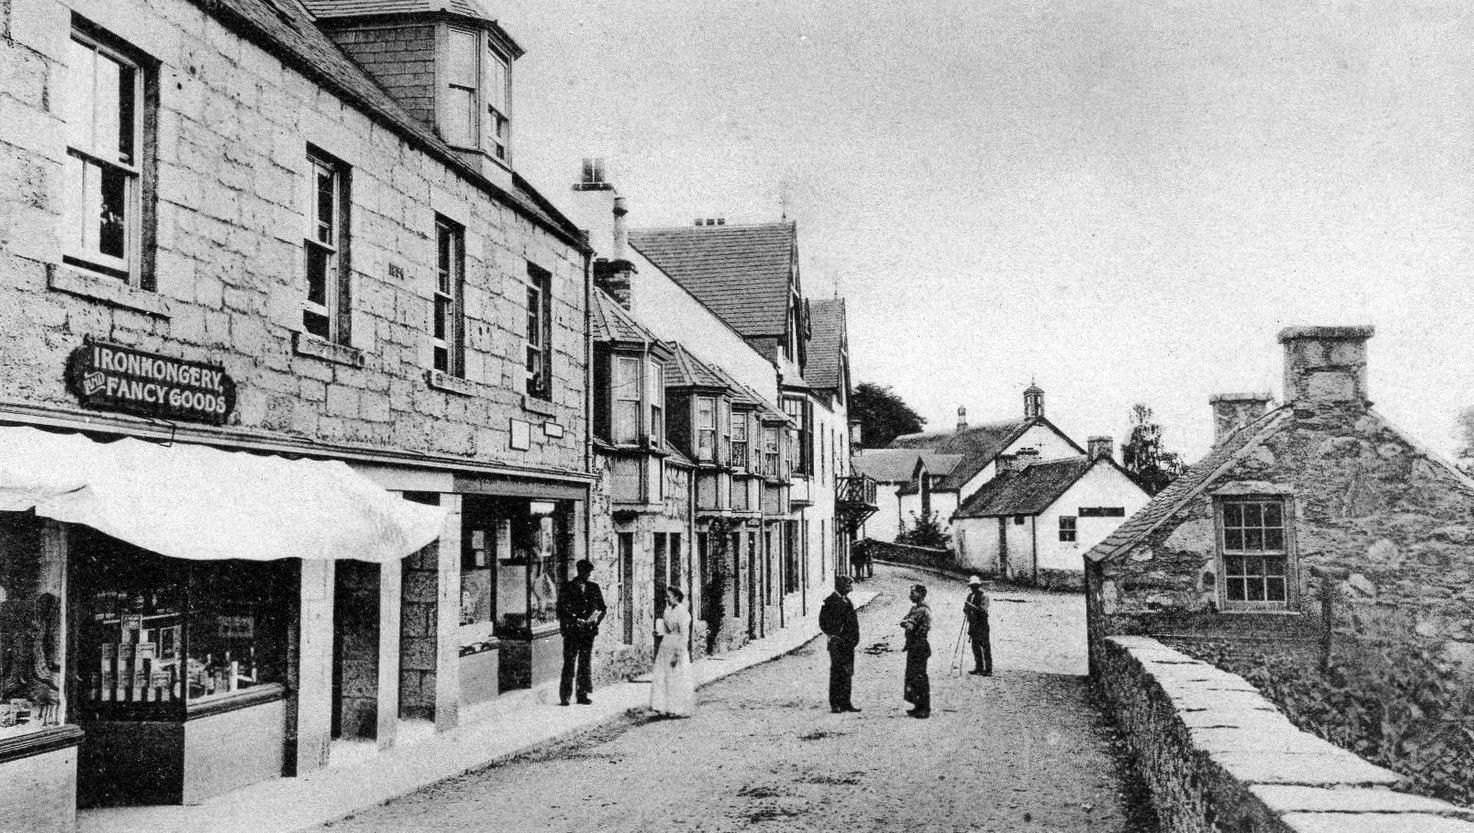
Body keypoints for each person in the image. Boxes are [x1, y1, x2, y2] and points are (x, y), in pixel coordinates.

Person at [556, 559, 606, 706]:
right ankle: (565, 696)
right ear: (580, 571)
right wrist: (574, 618)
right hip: (572, 631)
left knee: (585, 663)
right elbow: (561, 608)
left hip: (588, 632)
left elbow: (602, 608)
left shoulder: (594, 588)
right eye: (586, 572)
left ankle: (582, 694)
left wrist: (595, 620)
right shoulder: (568, 587)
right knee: (569, 663)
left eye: (589, 573)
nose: (588, 575)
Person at [650, 586, 695, 717]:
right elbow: (666, 628)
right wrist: (659, 632)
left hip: (676, 646)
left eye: (669, 596)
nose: (666, 598)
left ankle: (676, 708)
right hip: (666, 645)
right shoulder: (668, 610)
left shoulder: (683, 613)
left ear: (676, 597)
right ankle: (663, 706)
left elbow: (684, 635)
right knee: (663, 676)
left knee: (675, 677)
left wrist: (678, 654)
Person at [819, 575, 861, 714]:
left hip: (848, 643)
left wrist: (853, 639)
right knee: (837, 672)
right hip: (837, 644)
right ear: (841, 586)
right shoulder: (831, 601)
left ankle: (846, 703)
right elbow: (823, 622)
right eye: (849, 585)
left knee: (847, 672)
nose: (851, 589)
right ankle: (835, 704)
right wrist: (834, 635)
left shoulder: (847, 601)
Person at [899, 583, 931, 718]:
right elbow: (904, 621)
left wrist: (906, 622)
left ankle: (924, 708)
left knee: (919, 676)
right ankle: (918, 705)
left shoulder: (921, 610)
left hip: (919, 645)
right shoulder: (915, 608)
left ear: (921, 594)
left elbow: (908, 625)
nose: (910, 595)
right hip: (914, 645)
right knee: (913, 676)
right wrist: (905, 622)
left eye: (913, 593)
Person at [963, 576, 992, 676]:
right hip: (973, 625)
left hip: (982, 625)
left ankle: (988, 669)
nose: (973, 588)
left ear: (978, 586)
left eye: (975, 586)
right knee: (975, 647)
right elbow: (965, 609)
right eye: (971, 586)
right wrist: (966, 609)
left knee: (985, 647)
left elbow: (982, 610)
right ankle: (978, 667)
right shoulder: (970, 596)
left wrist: (970, 606)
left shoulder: (984, 596)